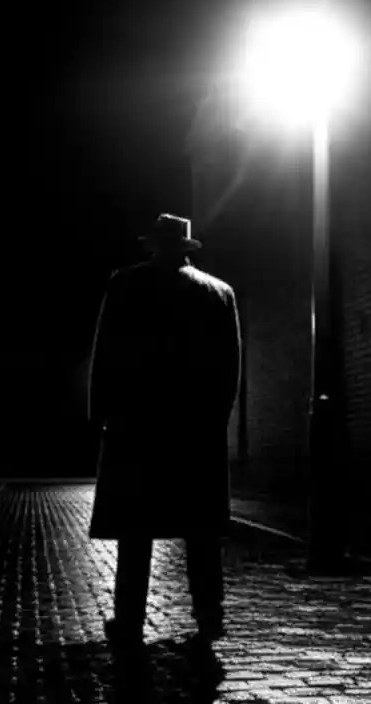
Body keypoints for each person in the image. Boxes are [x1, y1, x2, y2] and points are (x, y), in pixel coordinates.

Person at [87, 213, 241, 645]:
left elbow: (106, 353)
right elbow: (230, 367)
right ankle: (209, 616)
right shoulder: (219, 293)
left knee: (135, 532)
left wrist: (101, 414)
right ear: (186, 248)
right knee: (201, 532)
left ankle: (129, 620)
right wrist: (217, 419)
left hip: (137, 426)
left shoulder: (125, 285)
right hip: (196, 430)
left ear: (154, 245)